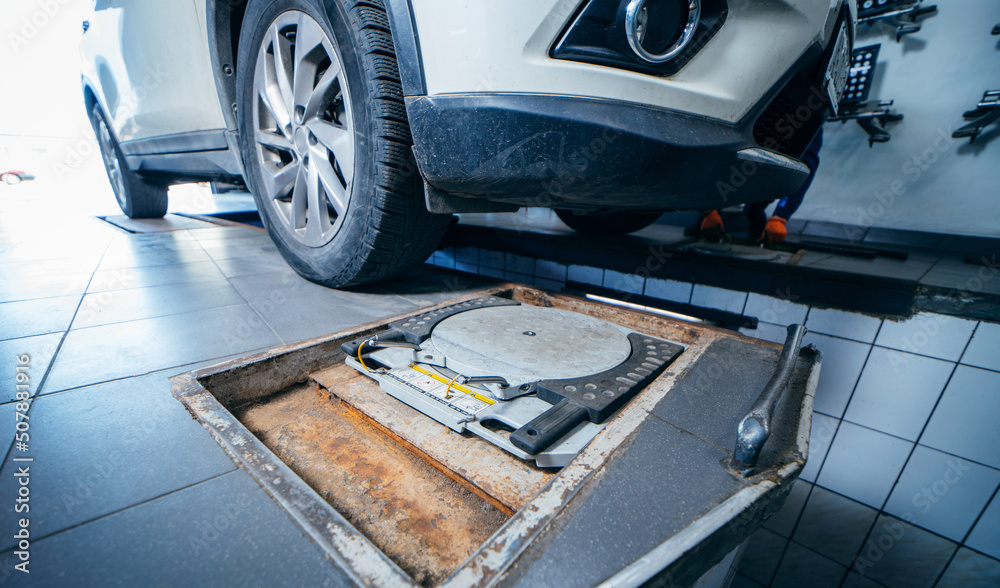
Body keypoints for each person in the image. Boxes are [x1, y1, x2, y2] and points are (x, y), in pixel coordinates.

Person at [695, 129, 823, 245]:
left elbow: (804, 169)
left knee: (753, 211)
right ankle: (706, 218)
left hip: (768, 172)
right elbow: (711, 154)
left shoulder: (811, 122)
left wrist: (780, 217)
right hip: (731, 166)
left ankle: (756, 223)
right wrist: (709, 210)